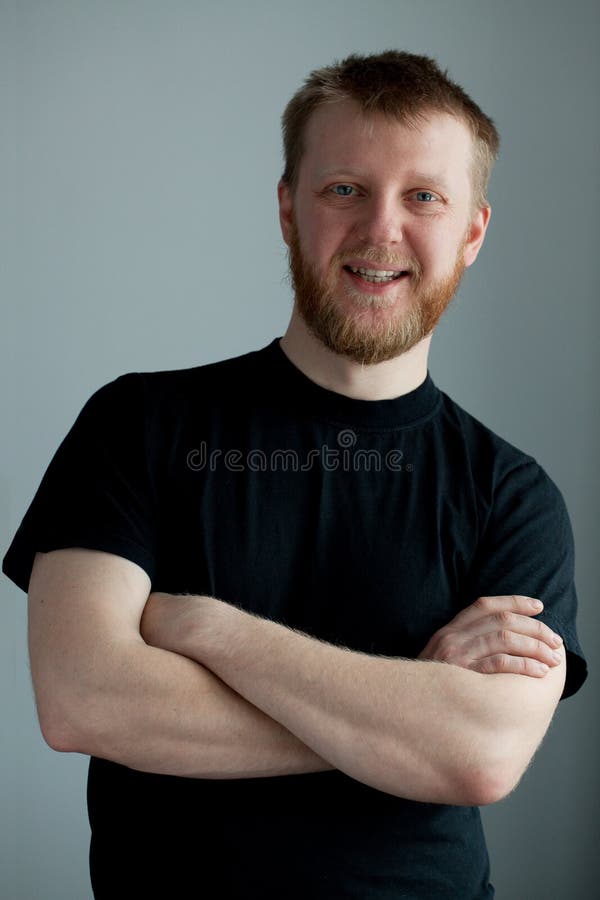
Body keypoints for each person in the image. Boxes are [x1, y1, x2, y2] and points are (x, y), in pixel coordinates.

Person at [3, 50, 587, 899]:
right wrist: (413, 712)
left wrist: (206, 628)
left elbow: (481, 756)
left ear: (472, 233)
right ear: (288, 209)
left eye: (424, 197)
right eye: (345, 188)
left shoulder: (514, 497)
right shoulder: (138, 425)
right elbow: (82, 699)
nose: (381, 228)